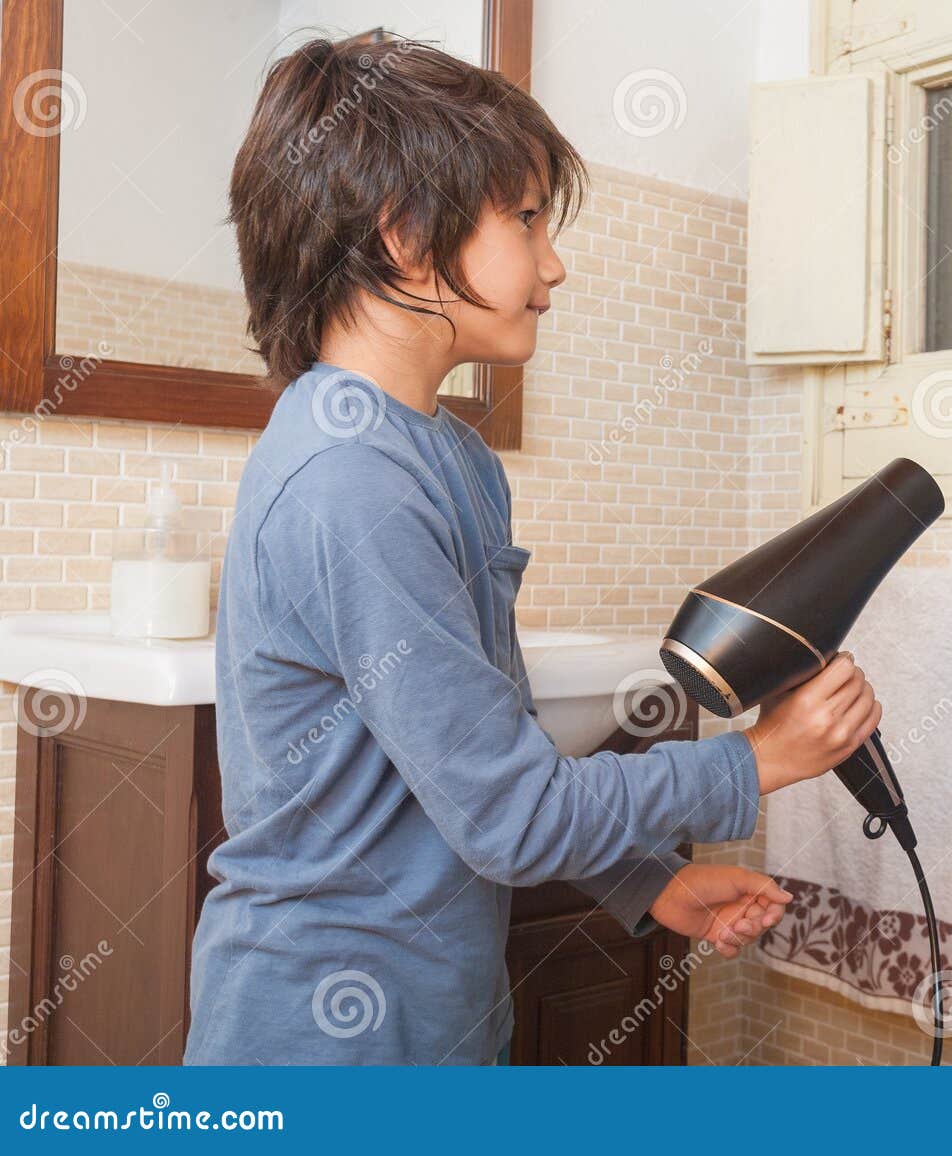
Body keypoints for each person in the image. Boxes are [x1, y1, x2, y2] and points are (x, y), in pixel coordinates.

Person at [185, 33, 881, 1065]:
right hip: (319, 1035)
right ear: (408, 235)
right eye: (523, 220)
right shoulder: (349, 481)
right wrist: (755, 760)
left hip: (444, 1011)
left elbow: (480, 763)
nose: (554, 263)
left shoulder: (450, 457)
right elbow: (512, 815)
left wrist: (649, 880)